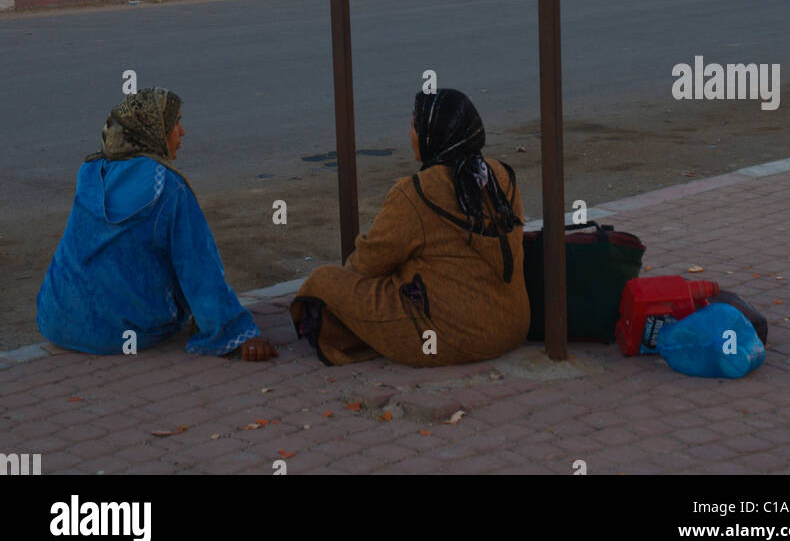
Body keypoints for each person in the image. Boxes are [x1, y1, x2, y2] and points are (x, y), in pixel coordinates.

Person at [291, 88, 530, 366]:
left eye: (414, 126)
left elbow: (367, 264)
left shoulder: (415, 192)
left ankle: (358, 338)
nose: (409, 135)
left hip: (457, 338)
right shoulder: (501, 174)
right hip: (514, 327)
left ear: (432, 135)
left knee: (323, 282)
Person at [36, 88, 277, 361]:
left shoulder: (90, 171)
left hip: (56, 321)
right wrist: (238, 333)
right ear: (153, 131)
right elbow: (199, 268)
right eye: (175, 123)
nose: (182, 131)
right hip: (120, 333)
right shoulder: (169, 188)